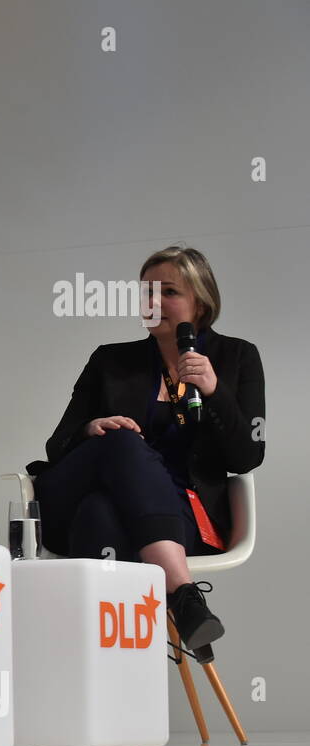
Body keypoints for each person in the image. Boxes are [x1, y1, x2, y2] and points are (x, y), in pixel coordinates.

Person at [31, 246, 265, 660]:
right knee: (122, 439)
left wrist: (215, 393)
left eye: (169, 292)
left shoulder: (237, 357)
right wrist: (91, 429)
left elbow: (246, 456)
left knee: (101, 515)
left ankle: (97, 671)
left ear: (201, 301)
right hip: (82, 482)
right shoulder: (111, 359)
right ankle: (184, 595)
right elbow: (58, 444)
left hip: (181, 518)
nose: (153, 303)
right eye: (147, 292)